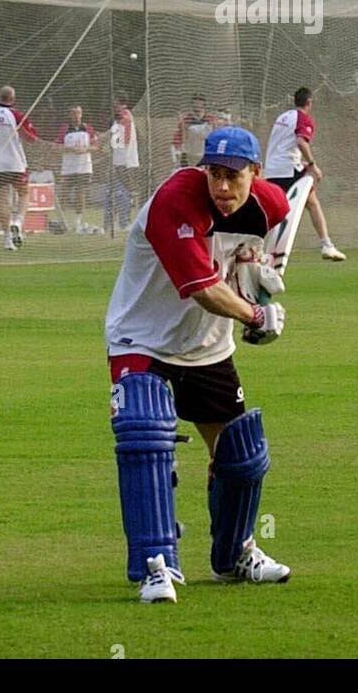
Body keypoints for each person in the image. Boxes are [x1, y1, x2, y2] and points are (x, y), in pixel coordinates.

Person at [106, 125, 291, 603]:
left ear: (255, 173)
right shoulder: (176, 200)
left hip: (208, 347)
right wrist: (256, 314)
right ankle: (157, 566)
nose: (223, 187)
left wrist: (255, 273)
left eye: (233, 175)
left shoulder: (270, 204)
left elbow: (258, 247)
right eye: (214, 174)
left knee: (241, 456)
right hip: (143, 338)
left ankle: (236, 556)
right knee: (145, 434)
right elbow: (205, 291)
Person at [263, 87, 345, 261]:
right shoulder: (304, 118)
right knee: (313, 204)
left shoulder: (282, 117)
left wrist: (302, 162)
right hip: (288, 169)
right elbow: (301, 141)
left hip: (272, 169)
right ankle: (326, 245)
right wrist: (313, 166)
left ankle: (254, 249)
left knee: (272, 210)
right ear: (309, 102)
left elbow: (283, 146)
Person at [0, 85, 38, 250]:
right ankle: (18, 221)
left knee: (3, 198)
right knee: (23, 193)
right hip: (16, 162)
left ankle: (7, 239)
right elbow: (31, 138)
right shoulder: (17, 115)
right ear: (13, 99)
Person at [56, 104, 99, 231]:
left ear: (81, 114)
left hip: (84, 167)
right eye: (73, 113)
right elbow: (56, 147)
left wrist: (85, 149)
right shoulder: (64, 129)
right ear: (69, 115)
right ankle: (61, 221)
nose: (76, 115)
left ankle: (78, 221)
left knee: (80, 193)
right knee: (63, 193)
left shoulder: (87, 128)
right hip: (68, 167)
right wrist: (68, 149)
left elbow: (96, 146)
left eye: (78, 113)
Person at [107, 97, 141, 228]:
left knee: (128, 188)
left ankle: (127, 219)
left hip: (126, 159)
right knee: (120, 189)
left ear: (124, 105)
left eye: (117, 105)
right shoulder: (117, 120)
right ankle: (120, 220)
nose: (115, 108)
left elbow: (122, 140)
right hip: (119, 158)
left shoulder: (126, 118)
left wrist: (110, 143)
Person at [172, 94, 220, 168]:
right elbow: (180, 137)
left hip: (206, 155)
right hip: (191, 156)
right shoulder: (186, 120)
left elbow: (215, 136)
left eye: (199, 104)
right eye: (195, 104)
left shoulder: (210, 120)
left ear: (204, 105)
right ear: (192, 105)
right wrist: (178, 151)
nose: (197, 106)